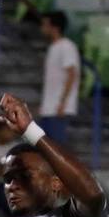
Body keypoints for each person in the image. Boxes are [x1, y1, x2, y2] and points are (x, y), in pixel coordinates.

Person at [38, 11, 78, 145]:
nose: (42, 28)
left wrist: (62, 102)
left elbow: (72, 74)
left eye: (45, 25)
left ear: (54, 27)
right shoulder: (53, 47)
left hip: (57, 108)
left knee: (57, 148)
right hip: (49, 108)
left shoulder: (66, 46)